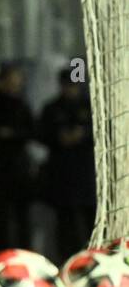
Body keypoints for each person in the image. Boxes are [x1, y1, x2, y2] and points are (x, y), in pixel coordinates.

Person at [39, 70, 95, 260]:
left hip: (88, 174)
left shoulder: (90, 106)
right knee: (66, 223)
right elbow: (41, 134)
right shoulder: (52, 108)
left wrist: (83, 135)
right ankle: (68, 260)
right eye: (67, 86)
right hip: (63, 175)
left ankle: (94, 257)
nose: (71, 90)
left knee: (91, 219)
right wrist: (60, 137)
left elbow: (102, 130)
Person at [0, 63, 35, 252]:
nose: (15, 84)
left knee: (23, 215)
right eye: (11, 80)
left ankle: (25, 252)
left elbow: (32, 131)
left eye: (17, 80)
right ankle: (2, 253)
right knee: (0, 215)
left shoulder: (22, 105)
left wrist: (10, 135)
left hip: (20, 168)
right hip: (0, 168)